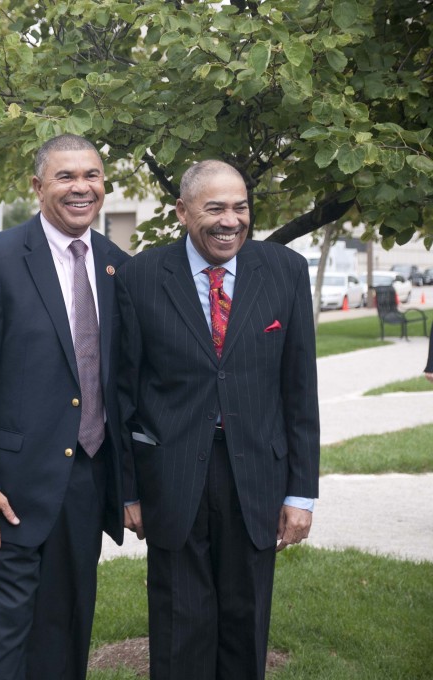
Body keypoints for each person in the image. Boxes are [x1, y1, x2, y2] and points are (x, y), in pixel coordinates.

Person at [116, 160, 320, 679]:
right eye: (215, 209)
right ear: (183, 212)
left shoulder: (285, 271)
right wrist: (127, 491)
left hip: (257, 480)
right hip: (172, 479)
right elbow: (123, 393)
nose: (231, 220)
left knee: (245, 623)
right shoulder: (140, 277)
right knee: (178, 628)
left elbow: (299, 391)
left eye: (240, 207)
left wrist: (301, 494)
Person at [0, 134, 130, 679]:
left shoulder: (118, 266)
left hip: (85, 485)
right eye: (66, 177)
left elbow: (122, 387)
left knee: (63, 645)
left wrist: (129, 489)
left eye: (92, 176)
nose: (82, 188)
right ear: (37, 186)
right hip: (6, 493)